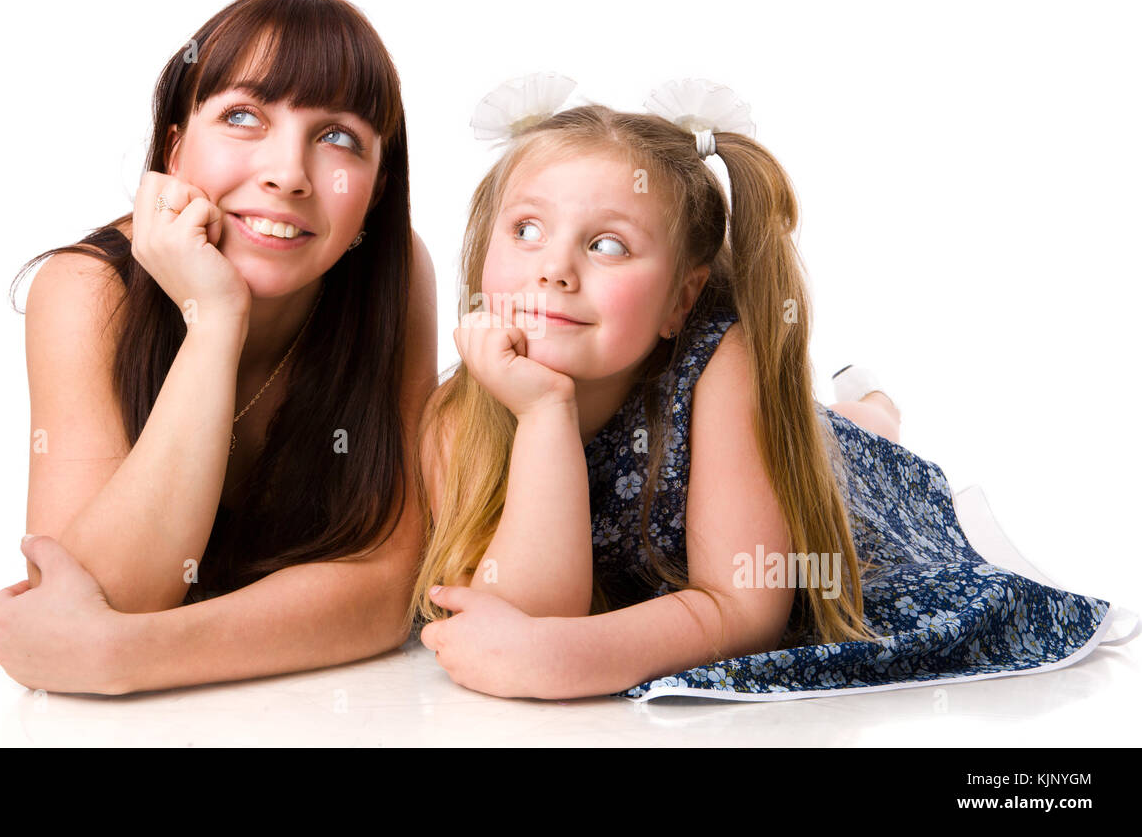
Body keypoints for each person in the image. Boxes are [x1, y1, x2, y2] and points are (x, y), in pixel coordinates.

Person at [411, 77, 1114, 701]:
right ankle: (857, 409)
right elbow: (521, 615)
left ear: (680, 302)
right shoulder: (456, 416)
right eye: (527, 229)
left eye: (608, 245)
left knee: (836, 442)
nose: (554, 269)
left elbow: (741, 609)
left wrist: (567, 662)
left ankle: (872, 415)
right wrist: (542, 414)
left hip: (828, 480)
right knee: (822, 423)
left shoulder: (725, 359)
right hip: (682, 444)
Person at [0, 0, 437, 695]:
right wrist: (214, 322)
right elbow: (94, 591)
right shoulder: (86, 290)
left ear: (377, 189)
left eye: (338, 137)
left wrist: (127, 656)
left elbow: (385, 594)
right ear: (174, 148)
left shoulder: (395, 278)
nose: (288, 173)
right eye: (242, 117)